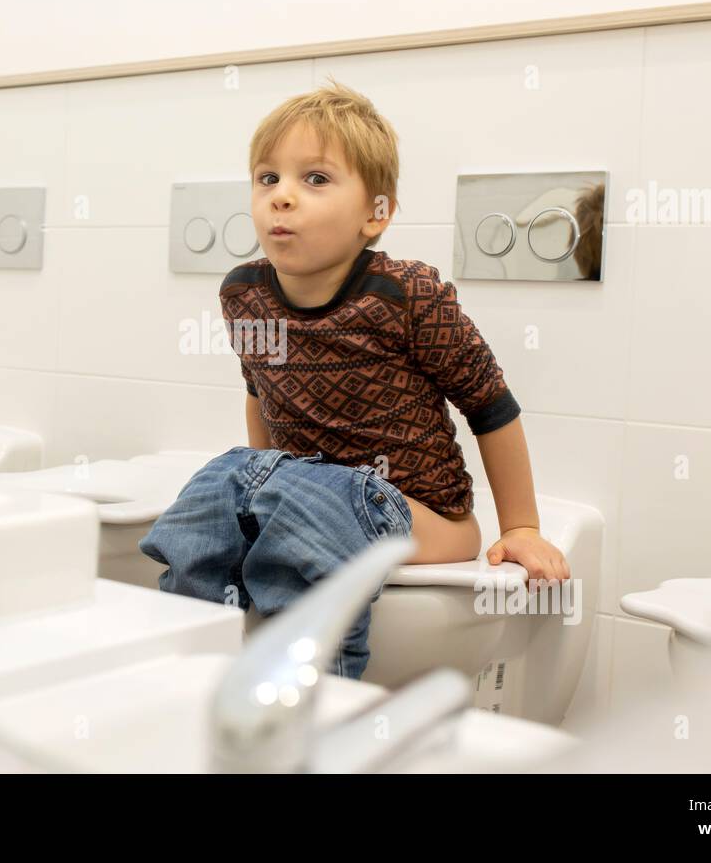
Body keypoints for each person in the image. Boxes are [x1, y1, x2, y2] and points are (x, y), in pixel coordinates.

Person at [140, 78, 569, 679]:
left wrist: (522, 527)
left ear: (376, 214)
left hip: (425, 513)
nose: (282, 196)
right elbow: (260, 393)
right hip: (306, 492)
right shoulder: (243, 292)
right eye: (269, 178)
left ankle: (319, 697)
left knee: (311, 504)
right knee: (213, 487)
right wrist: (257, 486)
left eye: (314, 179)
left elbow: (490, 405)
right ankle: (192, 671)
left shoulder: (407, 294)